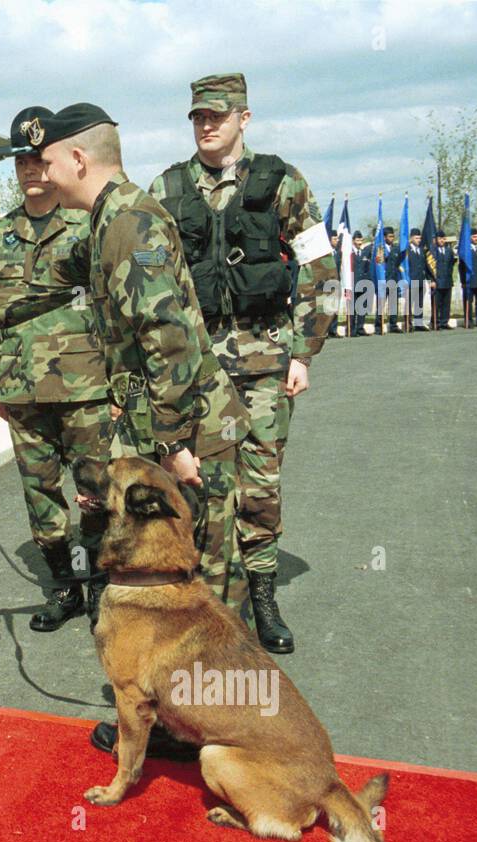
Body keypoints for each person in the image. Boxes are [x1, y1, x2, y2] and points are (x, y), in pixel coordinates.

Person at [0, 102, 254, 761]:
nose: (34, 169)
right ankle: (192, 723)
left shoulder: (130, 223)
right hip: (175, 430)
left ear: (78, 159)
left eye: (47, 157)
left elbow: (168, 344)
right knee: (193, 591)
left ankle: (230, 735)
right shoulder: (106, 221)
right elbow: (32, 294)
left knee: (212, 590)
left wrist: (172, 448)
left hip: (196, 433)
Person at [150, 73, 336, 654]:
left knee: (260, 484)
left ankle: (262, 598)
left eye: (217, 116)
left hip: (264, 359)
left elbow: (320, 271)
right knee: (198, 484)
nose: (207, 126)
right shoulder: (167, 187)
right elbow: (152, 280)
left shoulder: (282, 182)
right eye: (198, 117)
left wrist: (304, 350)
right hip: (198, 368)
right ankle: (203, 601)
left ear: (243, 118)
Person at [0, 106, 113, 631]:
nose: (29, 170)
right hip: (22, 389)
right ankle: (64, 588)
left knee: (96, 488)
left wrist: (117, 382)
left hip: (86, 384)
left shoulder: (88, 224)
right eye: (19, 160)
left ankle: (98, 586)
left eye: (36, 158)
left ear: (56, 160)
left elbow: (112, 304)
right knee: (39, 492)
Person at [349, 231, 374, 337]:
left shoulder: (364, 252)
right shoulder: (349, 253)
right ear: (353, 241)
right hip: (352, 284)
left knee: (362, 307)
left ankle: (360, 327)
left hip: (363, 283)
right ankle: (352, 329)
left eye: (361, 240)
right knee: (352, 308)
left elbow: (367, 268)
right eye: (357, 240)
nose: (360, 242)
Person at [431, 230, 457, 330]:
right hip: (436, 281)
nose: (441, 240)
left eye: (443, 239)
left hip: (447, 280)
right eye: (439, 239)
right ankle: (435, 322)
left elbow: (451, 265)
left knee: (446, 303)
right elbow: (429, 268)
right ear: (436, 240)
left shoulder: (449, 251)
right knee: (437, 304)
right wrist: (431, 280)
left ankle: (444, 322)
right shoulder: (432, 252)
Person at [380, 226, 405, 333]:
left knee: (394, 303)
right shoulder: (380, 249)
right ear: (384, 237)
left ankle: (393, 325)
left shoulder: (396, 249)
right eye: (390, 236)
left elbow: (398, 263)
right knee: (381, 303)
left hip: (393, 280)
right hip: (383, 280)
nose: (392, 238)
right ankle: (379, 325)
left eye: (393, 236)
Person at [405, 228, 429, 330]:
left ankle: (418, 323)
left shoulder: (421, 250)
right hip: (411, 280)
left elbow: (424, 265)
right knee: (409, 303)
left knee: (419, 303)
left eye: (420, 238)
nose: (418, 240)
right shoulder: (407, 251)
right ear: (411, 238)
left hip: (420, 280)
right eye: (416, 238)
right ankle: (408, 324)